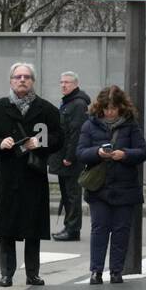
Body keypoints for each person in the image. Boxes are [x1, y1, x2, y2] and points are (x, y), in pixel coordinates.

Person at [0, 62, 62, 287]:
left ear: (33, 81)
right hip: (7, 175)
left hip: (34, 175)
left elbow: (59, 138)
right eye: (18, 77)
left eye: (26, 77)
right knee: (7, 226)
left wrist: (41, 142)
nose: (22, 80)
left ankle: (32, 273)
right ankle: (7, 273)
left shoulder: (46, 109)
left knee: (33, 226)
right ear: (11, 80)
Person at [77, 84, 146, 284]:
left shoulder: (130, 125)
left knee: (121, 230)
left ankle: (116, 270)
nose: (109, 112)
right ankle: (96, 271)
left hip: (125, 187)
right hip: (99, 187)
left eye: (113, 108)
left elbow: (142, 151)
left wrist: (125, 154)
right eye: (106, 108)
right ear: (100, 107)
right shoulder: (89, 125)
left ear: (121, 107)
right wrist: (98, 153)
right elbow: (80, 153)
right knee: (99, 229)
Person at [53, 71, 91, 242]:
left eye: (67, 82)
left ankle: (73, 229)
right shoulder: (68, 102)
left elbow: (76, 132)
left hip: (71, 159)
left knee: (72, 194)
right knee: (66, 193)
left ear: (75, 84)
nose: (63, 85)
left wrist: (69, 157)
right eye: (61, 82)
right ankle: (69, 227)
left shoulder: (77, 104)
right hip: (64, 157)